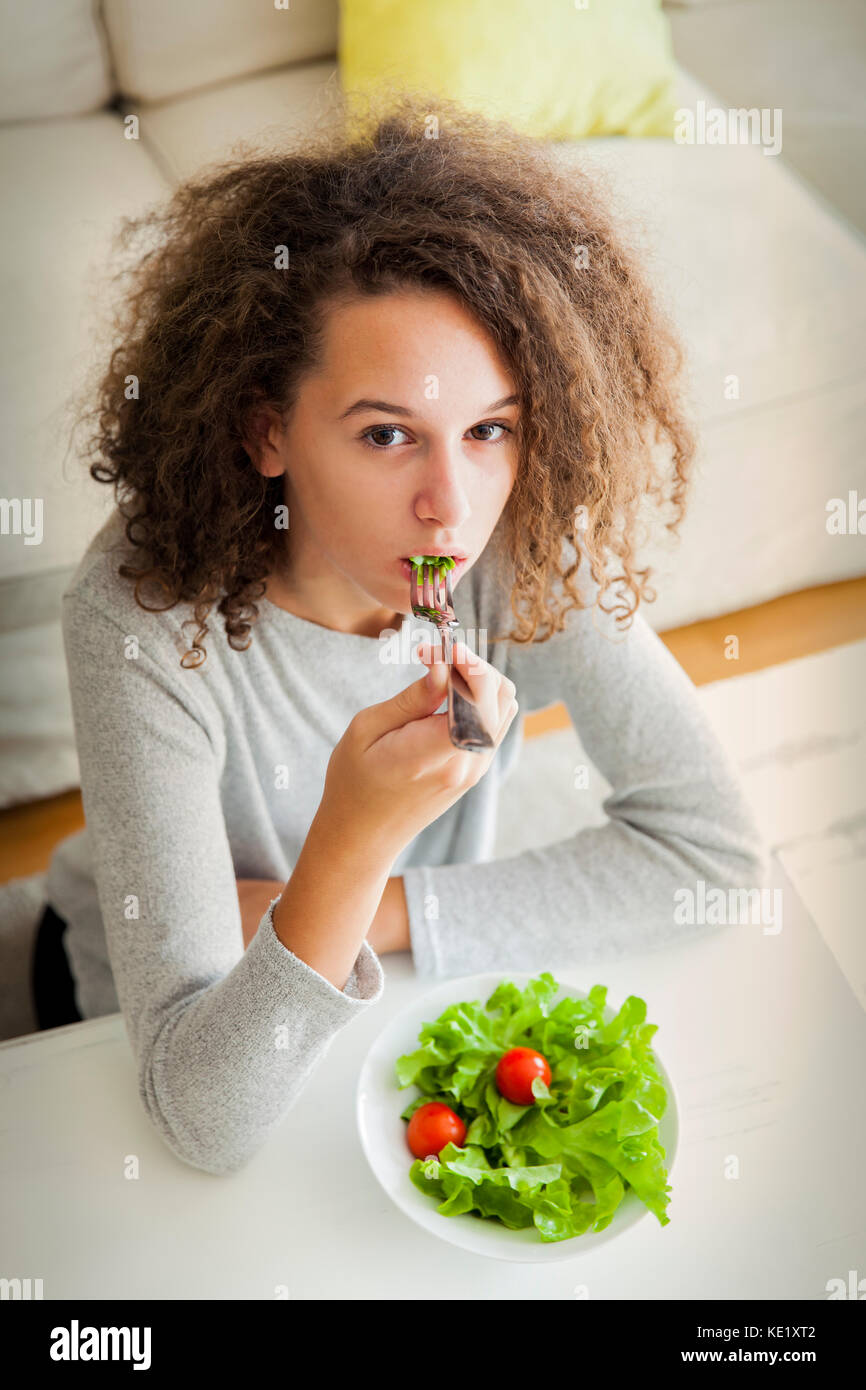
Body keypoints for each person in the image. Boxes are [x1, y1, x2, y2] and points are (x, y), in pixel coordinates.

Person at [37, 93, 768, 1174]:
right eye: (387, 434)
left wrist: (355, 907)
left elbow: (713, 858)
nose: (451, 507)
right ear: (265, 429)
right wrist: (352, 836)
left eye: (488, 431)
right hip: (134, 1021)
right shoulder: (142, 621)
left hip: (388, 986)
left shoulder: (513, 548)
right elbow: (200, 1118)